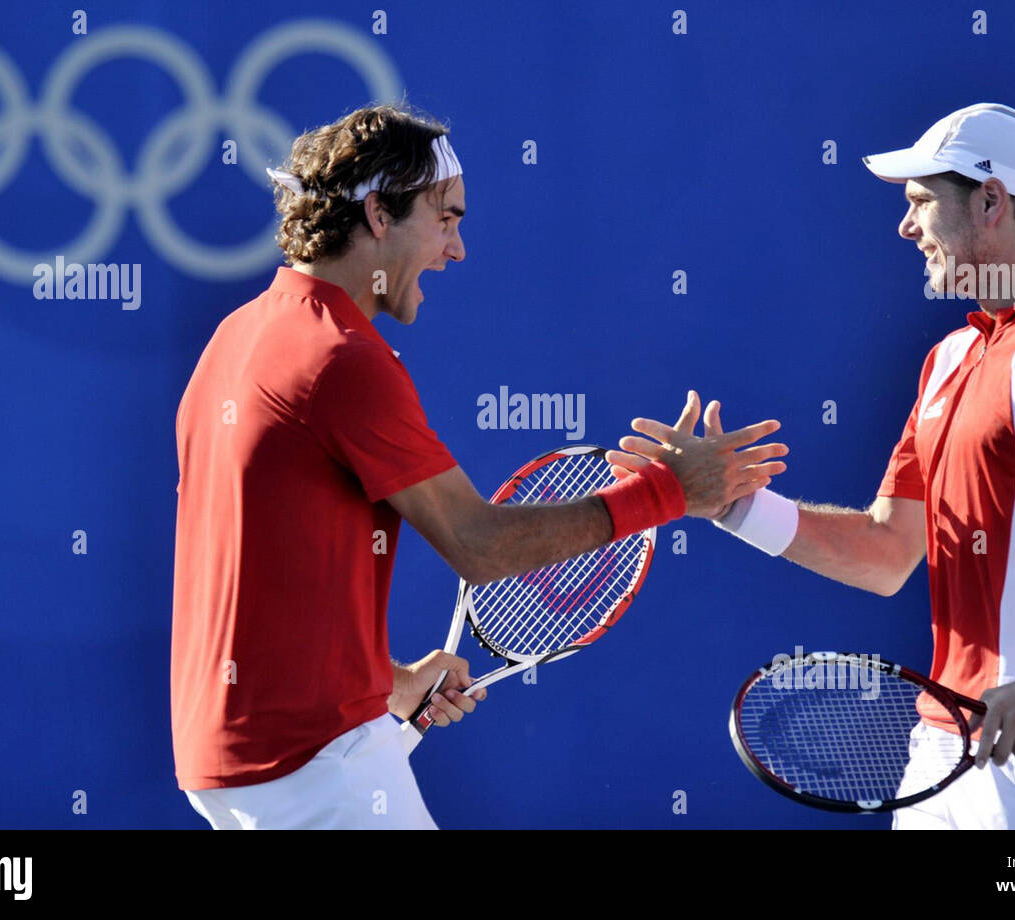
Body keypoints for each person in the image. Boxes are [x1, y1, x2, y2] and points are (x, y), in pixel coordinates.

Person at [170, 103, 788, 829]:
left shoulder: (237, 337)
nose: (456, 250)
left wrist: (390, 684)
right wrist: (667, 492)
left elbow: (263, 568)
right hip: (314, 769)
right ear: (377, 214)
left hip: (228, 759)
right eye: (447, 219)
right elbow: (481, 546)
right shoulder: (340, 359)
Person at [614, 103, 1015, 829]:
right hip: (944, 744)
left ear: (990, 201)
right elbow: (886, 552)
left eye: (919, 203)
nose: (905, 228)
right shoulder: (947, 361)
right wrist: (733, 504)